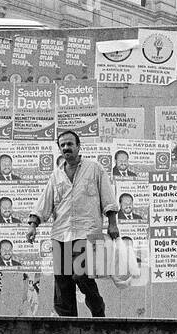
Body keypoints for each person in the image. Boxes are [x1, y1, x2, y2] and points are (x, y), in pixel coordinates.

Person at [27, 130, 118, 318]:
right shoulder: (56, 176)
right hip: (61, 234)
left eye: (70, 144)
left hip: (87, 233)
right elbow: (44, 202)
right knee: (62, 283)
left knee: (80, 274)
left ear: (78, 146)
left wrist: (112, 223)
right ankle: (67, 324)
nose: (66, 148)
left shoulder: (94, 169)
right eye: (63, 145)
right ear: (59, 149)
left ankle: (97, 307)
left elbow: (108, 197)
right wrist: (33, 224)